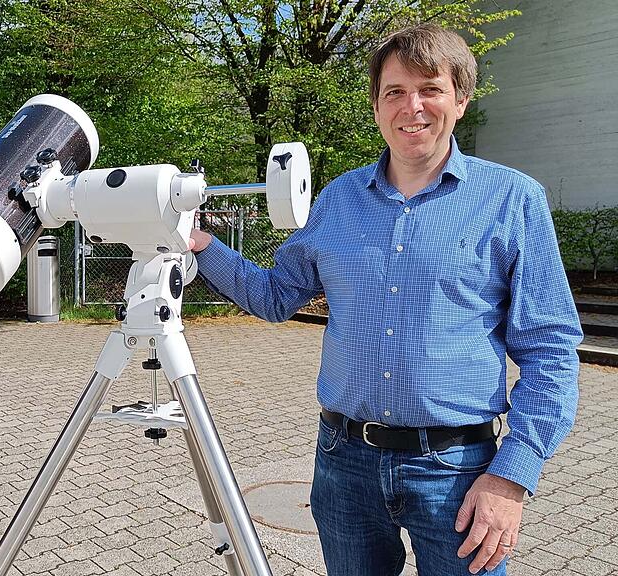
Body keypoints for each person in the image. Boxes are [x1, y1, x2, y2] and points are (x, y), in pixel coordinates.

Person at [189, 23, 581, 576]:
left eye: (430, 89)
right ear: (376, 106)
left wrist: (513, 475)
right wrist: (202, 245)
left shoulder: (513, 199)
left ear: (461, 100)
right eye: (395, 91)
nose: (412, 106)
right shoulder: (340, 199)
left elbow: (552, 349)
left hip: (460, 471)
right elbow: (277, 295)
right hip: (343, 465)